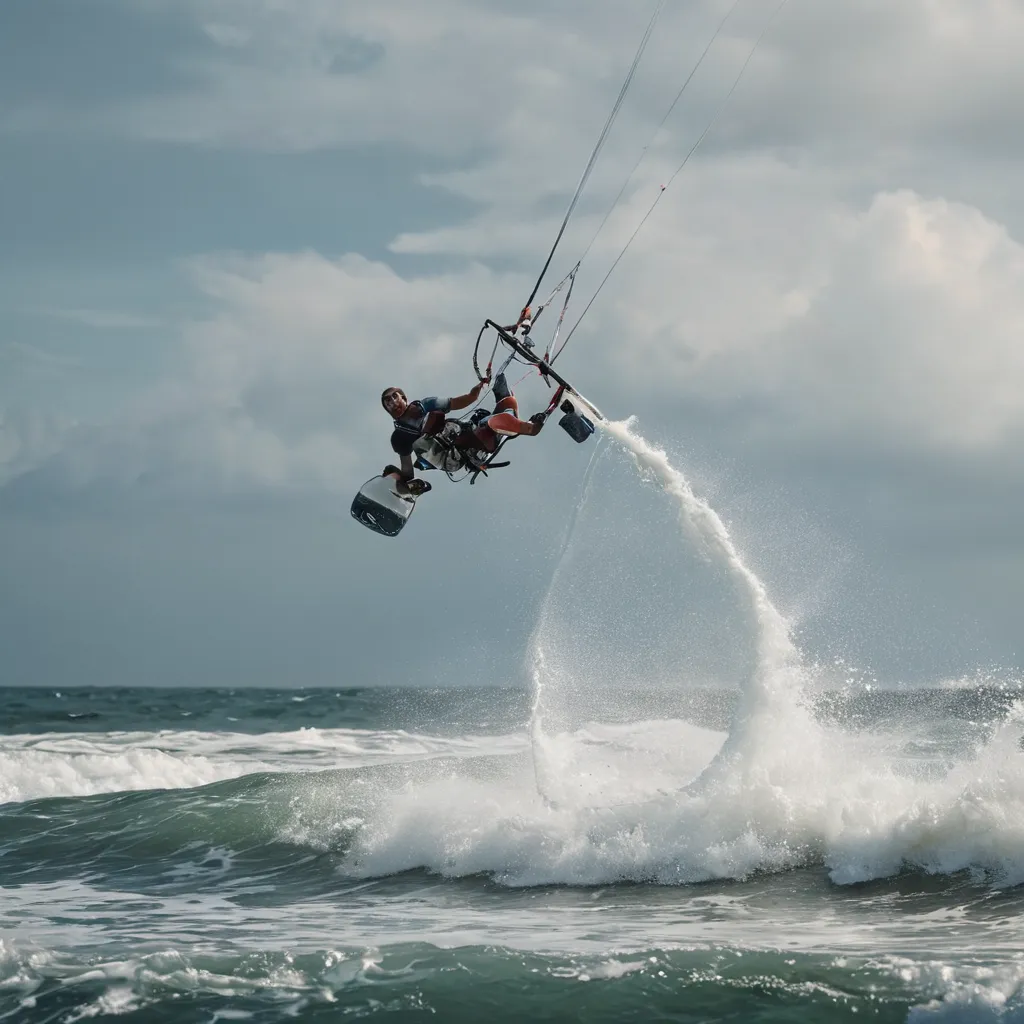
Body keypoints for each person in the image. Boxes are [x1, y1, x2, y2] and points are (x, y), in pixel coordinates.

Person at [381, 374, 544, 490]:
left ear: (404, 397)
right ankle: (525, 427)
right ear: (387, 410)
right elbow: (407, 470)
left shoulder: (426, 405)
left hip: (464, 437)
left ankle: (517, 420)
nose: (393, 403)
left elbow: (458, 402)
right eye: (388, 402)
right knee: (487, 424)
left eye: (395, 397)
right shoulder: (400, 437)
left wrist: (475, 392)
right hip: (450, 458)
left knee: (490, 410)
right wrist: (400, 482)